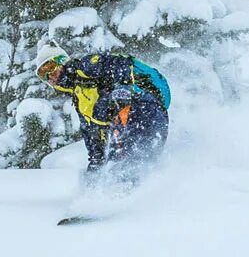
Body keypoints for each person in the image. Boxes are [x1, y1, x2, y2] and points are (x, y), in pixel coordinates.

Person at [36, 45, 169, 186]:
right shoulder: (79, 100)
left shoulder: (86, 66)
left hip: (143, 110)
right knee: (117, 168)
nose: (49, 76)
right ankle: (108, 201)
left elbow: (120, 63)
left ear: (61, 61)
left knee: (133, 166)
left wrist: (122, 89)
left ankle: (132, 195)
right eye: (43, 75)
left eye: (50, 68)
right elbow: (93, 139)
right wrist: (93, 172)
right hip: (123, 129)